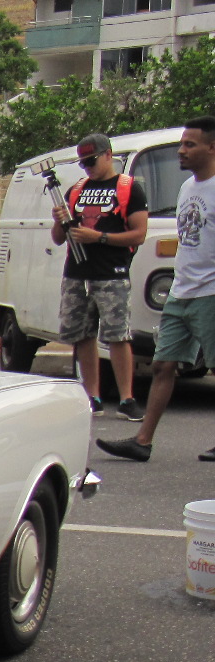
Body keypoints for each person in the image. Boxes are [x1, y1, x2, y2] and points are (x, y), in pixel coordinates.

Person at [98, 118, 215, 463]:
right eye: (182, 144)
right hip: (182, 291)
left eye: (190, 145)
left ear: (212, 147)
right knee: (163, 365)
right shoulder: (187, 189)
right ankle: (143, 441)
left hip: (211, 292)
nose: (182, 151)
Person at [50, 132, 148, 418]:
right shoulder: (77, 189)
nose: (87, 167)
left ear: (108, 155)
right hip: (76, 272)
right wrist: (60, 221)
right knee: (82, 335)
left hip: (111, 273)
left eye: (91, 161)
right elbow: (58, 238)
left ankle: (127, 398)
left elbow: (139, 234)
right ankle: (92, 395)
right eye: (83, 163)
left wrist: (98, 237)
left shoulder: (129, 188)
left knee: (117, 335)